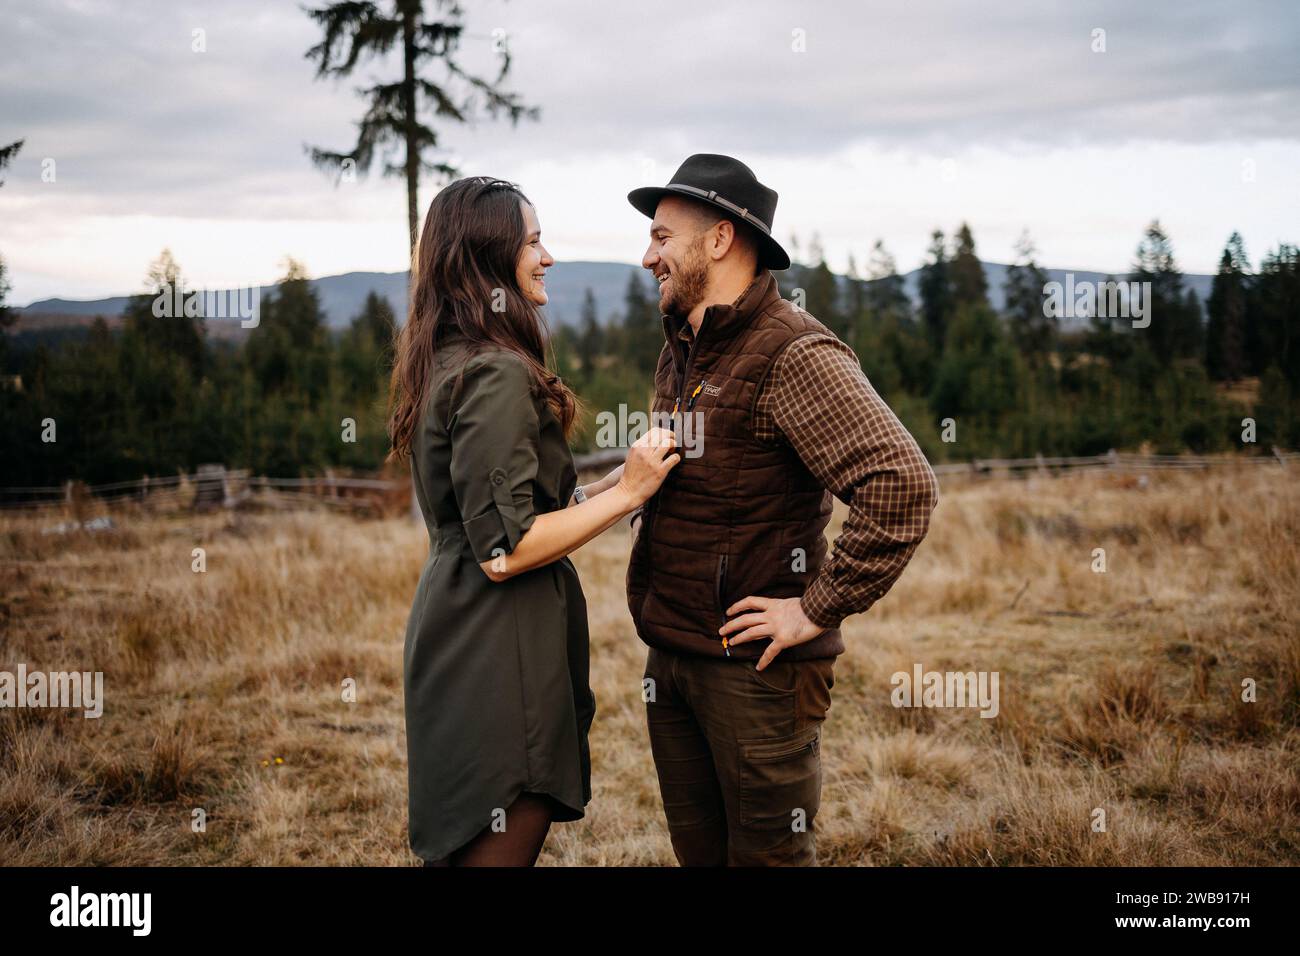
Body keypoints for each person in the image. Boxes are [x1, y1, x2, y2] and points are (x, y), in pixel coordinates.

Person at [624, 154, 940, 866]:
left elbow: (903, 484)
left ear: (719, 240)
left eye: (663, 237)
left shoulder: (794, 352)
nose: (648, 257)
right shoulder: (682, 346)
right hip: (673, 656)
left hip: (755, 678)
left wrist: (814, 609)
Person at [388, 176, 679, 866]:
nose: (546, 257)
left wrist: (612, 485)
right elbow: (506, 549)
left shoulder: (454, 359)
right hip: (497, 649)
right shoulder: (494, 373)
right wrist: (628, 496)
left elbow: (511, 514)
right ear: (490, 259)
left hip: (469, 632)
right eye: (533, 241)